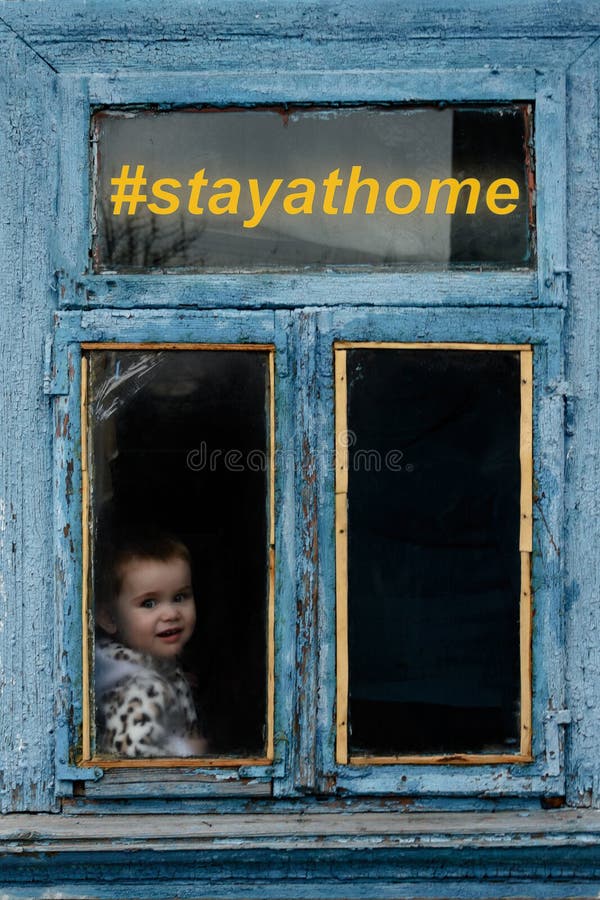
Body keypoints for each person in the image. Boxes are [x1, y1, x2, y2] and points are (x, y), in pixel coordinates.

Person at [94, 534, 207, 758]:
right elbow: (132, 756)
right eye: (149, 603)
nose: (171, 613)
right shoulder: (139, 686)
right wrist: (191, 750)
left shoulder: (157, 669)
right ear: (109, 617)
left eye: (180, 597)